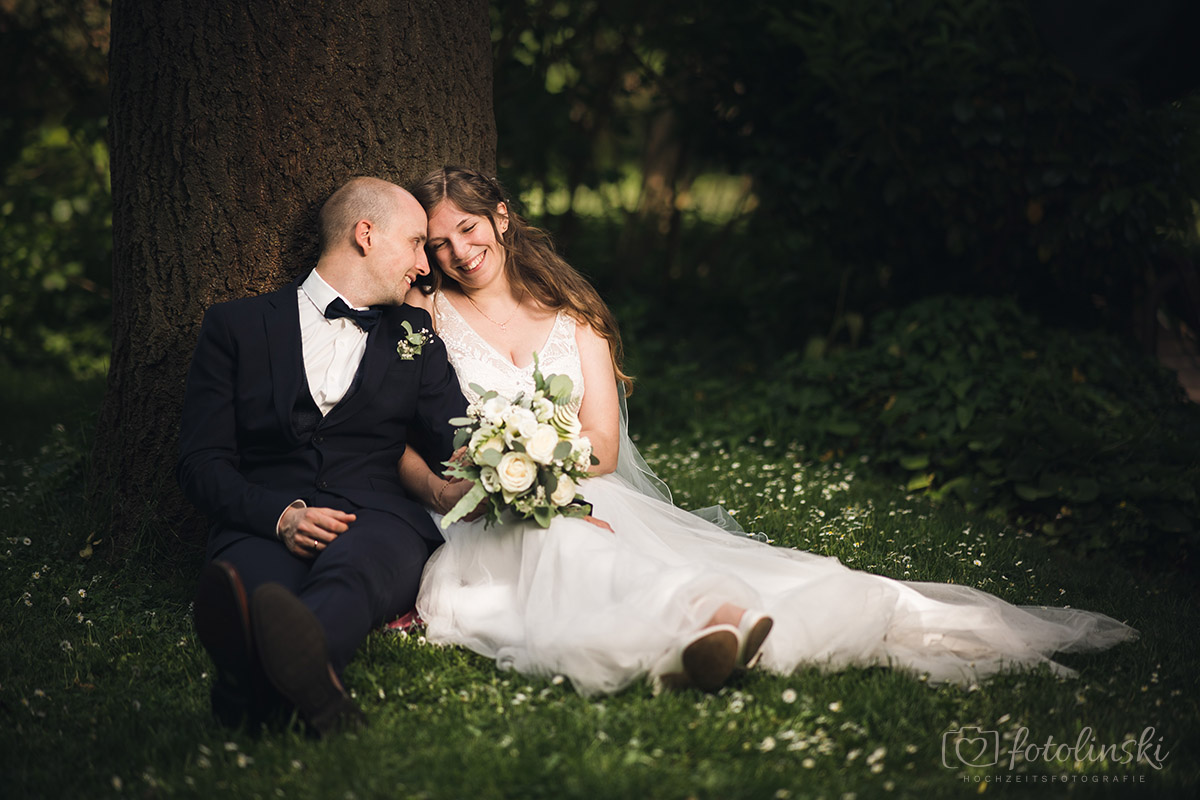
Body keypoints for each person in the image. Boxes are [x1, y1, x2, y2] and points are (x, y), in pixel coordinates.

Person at [396, 166, 1137, 698]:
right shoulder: (429, 316)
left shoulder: (574, 312)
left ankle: (716, 622)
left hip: (581, 484)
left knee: (584, 534)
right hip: (485, 507)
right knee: (558, 544)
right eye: (439, 244)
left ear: (501, 218)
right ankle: (712, 622)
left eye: (468, 228)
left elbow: (604, 444)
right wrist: (500, 471)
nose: (459, 251)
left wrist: (547, 466)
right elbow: (399, 413)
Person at [178, 177, 468, 733]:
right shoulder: (235, 327)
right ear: (366, 234)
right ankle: (312, 694)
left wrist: (521, 458)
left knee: (352, 576)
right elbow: (201, 462)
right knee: (255, 591)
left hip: (379, 519)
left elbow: (458, 433)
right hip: (263, 518)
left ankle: (247, 687)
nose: (424, 267)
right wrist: (279, 517)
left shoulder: (414, 334)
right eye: (414, 243)